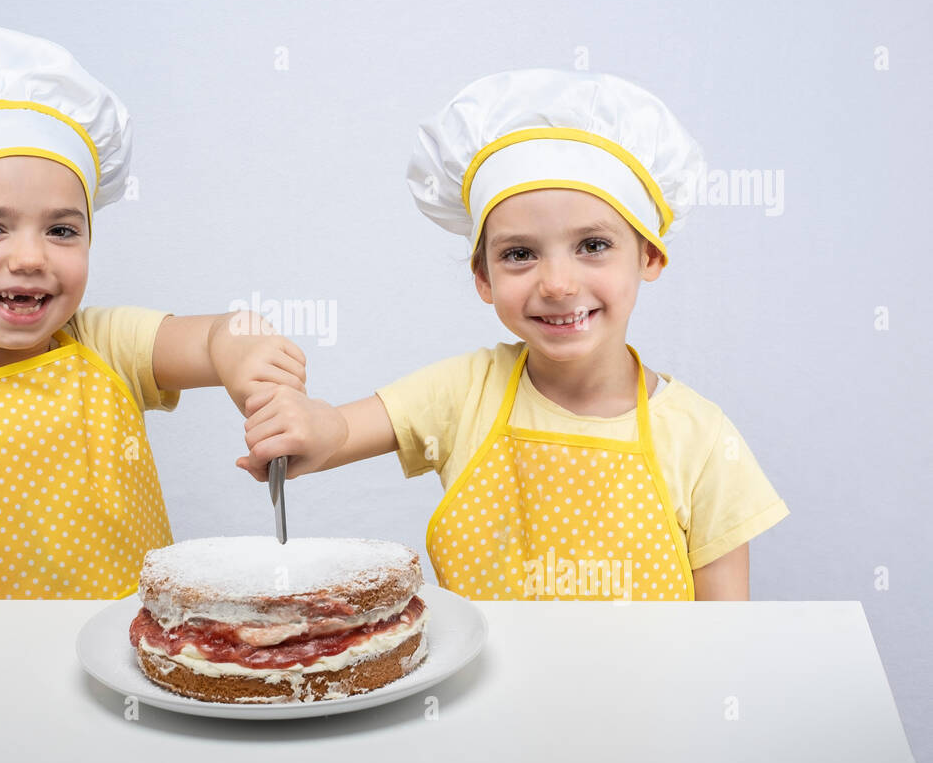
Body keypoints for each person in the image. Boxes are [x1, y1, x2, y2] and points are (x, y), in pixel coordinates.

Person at [238, 69, 787, 601]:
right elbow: (337, 432)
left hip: (652, 698)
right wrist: (303, 425)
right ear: (484, 277)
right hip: (489, 696)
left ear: (649, 255)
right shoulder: (465, 391)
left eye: (593, 245)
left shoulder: (706, 439)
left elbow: (725, 640)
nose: (557, 284)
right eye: (519, 254)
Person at [0, 27, 305, 599]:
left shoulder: (104, 346)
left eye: (61, 229)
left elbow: (215, 337)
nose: (29, 257)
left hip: (137, 685)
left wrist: (246, 352)